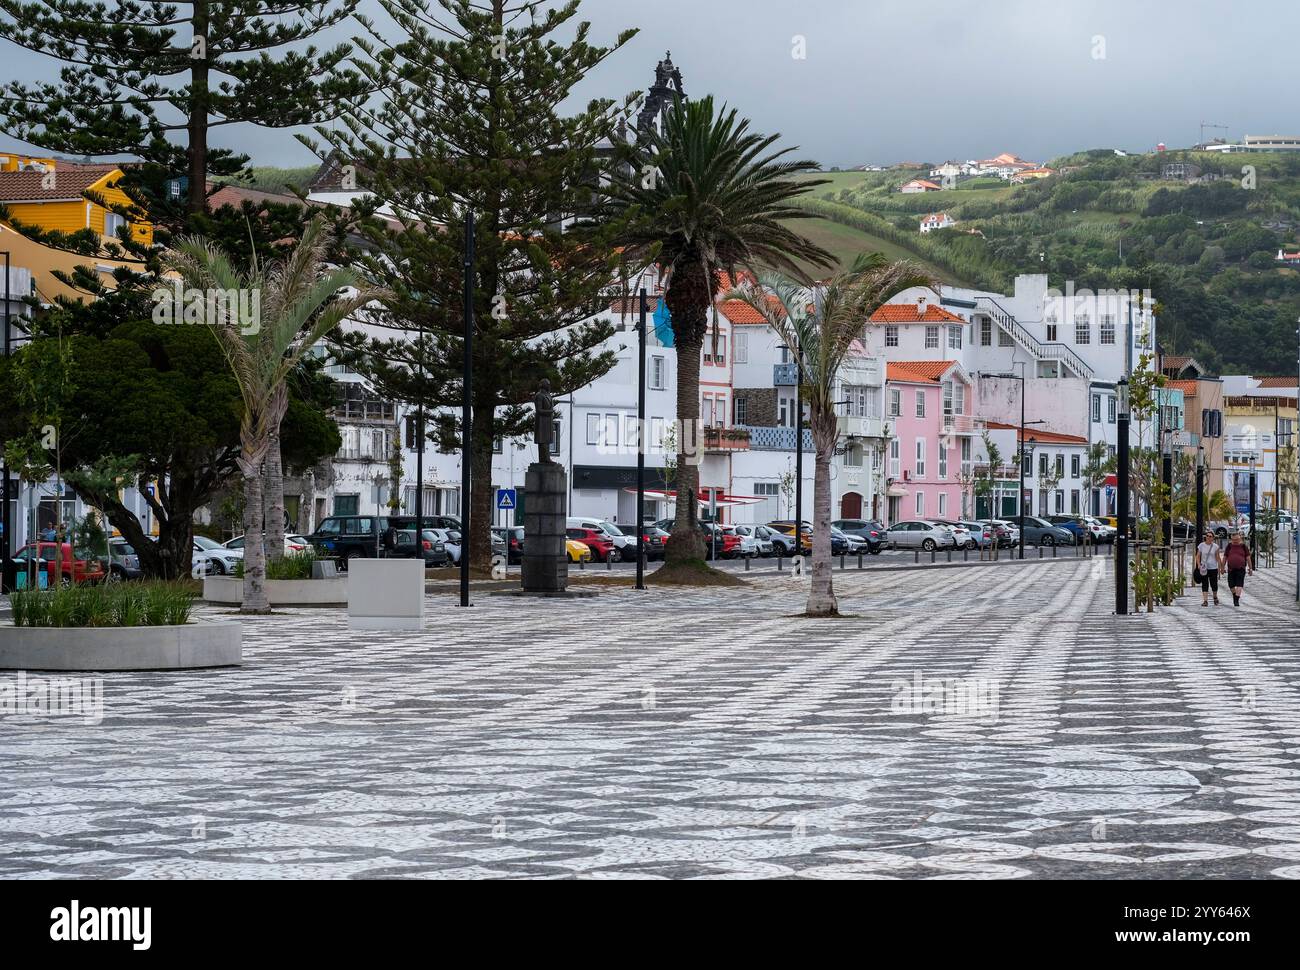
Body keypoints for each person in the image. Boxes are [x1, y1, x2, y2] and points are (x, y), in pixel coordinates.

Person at [1223, 531, 1253, 607]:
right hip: (1231, 569)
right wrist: (1222, 567)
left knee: (1239, 584)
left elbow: (1248, 558)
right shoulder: (1229, 546)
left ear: (1239, 538)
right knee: (1231, 585)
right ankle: (1235, 595)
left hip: (1241, 568)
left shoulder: (1243, 546)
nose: (1235, 541)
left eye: (1237, 539)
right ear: (1231, 539)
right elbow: (1225, 557)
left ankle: (1236, 600)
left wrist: (1250, 568)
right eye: (1234, 540)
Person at [1194, 530, 1222, 607]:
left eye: (1210, 536)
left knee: (1214, 584)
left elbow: (1217, 557)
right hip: (1204, 568)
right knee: (1205, 584)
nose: (1208, 537)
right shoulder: (1201, 545)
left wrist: (1220, 567)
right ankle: (1205, 601)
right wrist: (1199, 564)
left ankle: (1215, 596)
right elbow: (1198, 556)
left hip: (1213, 568)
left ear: (1213, 538)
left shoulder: (1215, 546)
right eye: (1207, 536)